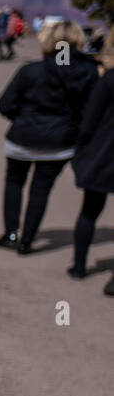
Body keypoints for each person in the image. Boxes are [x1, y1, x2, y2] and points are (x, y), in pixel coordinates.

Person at [0, 20, 99, 253]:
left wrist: (22, 119)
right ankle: (27, 241)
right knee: (40, 190)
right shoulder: (88, 74)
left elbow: (5, 105)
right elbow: (90, 112)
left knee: (14, 183)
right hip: (59, 144)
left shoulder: (30, 71)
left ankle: (11, 233)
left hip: (22, 139)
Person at [68, 66, 114, 287]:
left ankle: (79, 266)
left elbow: (90, 119)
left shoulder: (110, 79)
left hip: (104, 155)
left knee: (90, 210)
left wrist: (80, 148)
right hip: (105, 156)